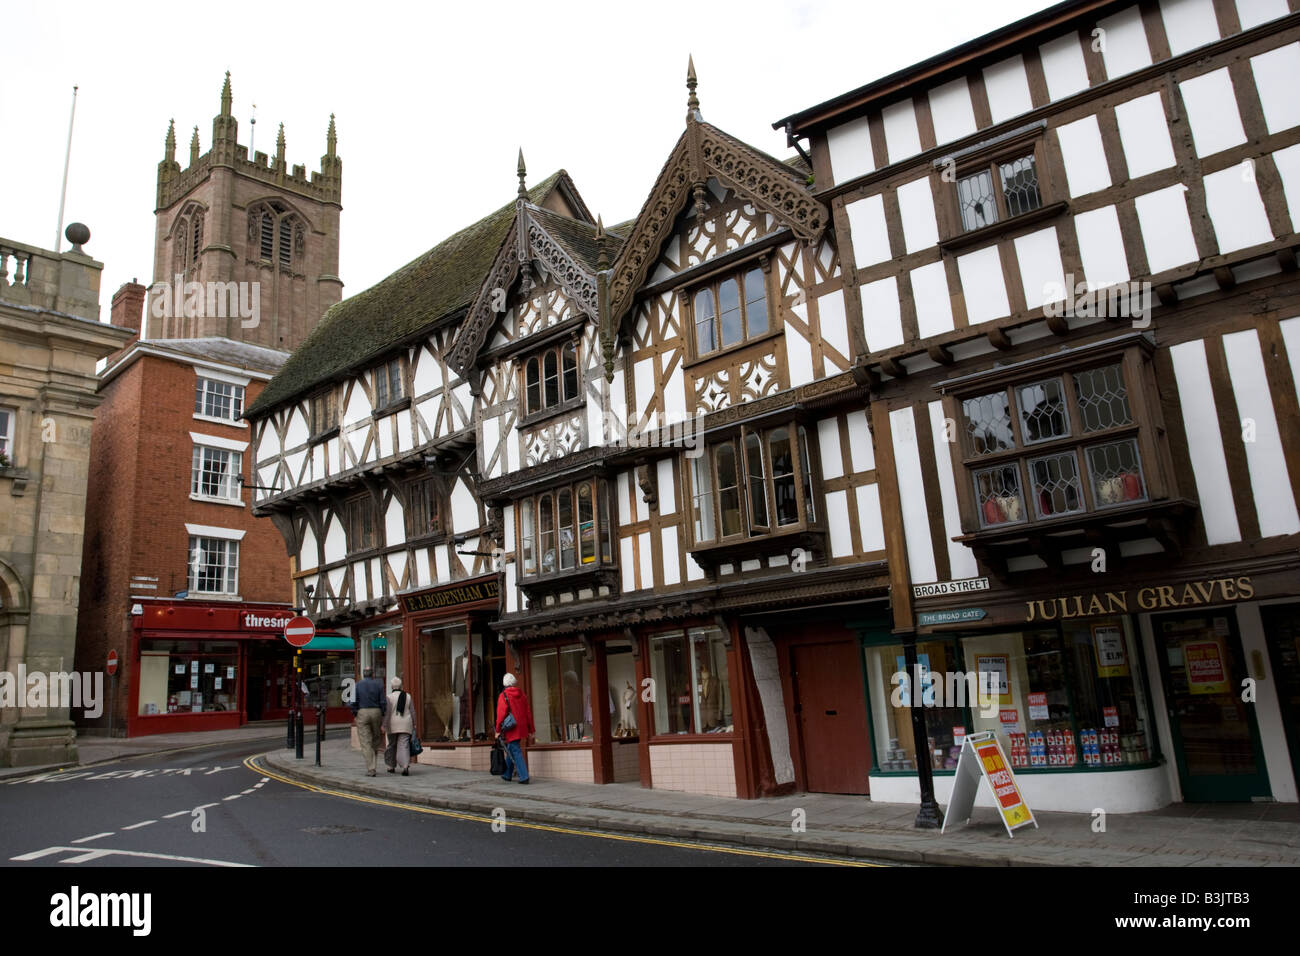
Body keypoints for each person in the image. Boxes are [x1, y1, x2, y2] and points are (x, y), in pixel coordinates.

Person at [495, 673, 535, 784]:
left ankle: (524, 776)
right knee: (511, 749)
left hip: (511, 727)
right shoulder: (522, 694)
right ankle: (507, 774)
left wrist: (497, 730)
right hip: (521, 726)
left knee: (515, 750)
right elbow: (528, 713)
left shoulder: (503, 695)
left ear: (504, 683)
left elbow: (500, 715)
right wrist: (531, 729)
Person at [351, 667, 387, 777]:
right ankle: (374, 764)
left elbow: (353, 702)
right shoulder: (379, 685)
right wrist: (382, 713)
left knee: (365, 742)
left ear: (363, 674)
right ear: (372, 675)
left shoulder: (357, 685)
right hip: (376, 712)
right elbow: (383, 702)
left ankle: (371, 768)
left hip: (362, 712)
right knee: (376, 739)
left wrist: (356, 713)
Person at [384, 676, 416, 776]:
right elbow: (412, 712)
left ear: (391, 686)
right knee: (404, 745)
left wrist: (384, 724)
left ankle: (391, 766)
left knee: (391, 745)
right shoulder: (408, 696)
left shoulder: (389, 697)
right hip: (406, 723)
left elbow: (387, 713)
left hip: (392, 724)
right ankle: (405, 766)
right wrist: (414, 723)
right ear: (401, 686)